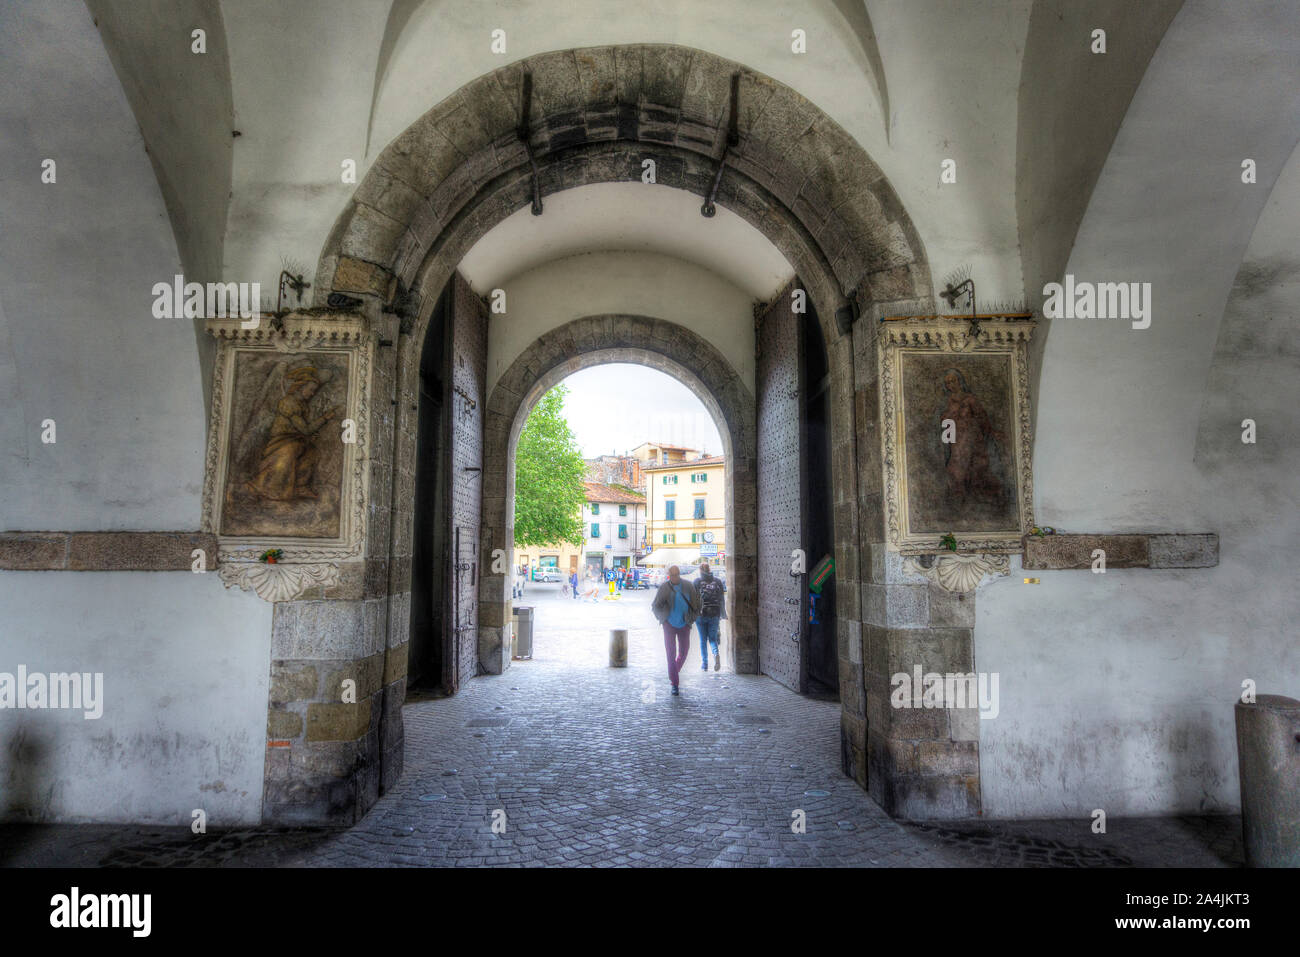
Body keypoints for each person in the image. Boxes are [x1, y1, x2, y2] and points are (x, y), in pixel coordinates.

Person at [652, 565, 701, 696]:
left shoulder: (688, 586)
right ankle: (675, 684)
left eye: (676, 574)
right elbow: (655, 605)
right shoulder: (664, 588)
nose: (674, 577)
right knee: (670, 653)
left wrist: (692, 618)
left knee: (684, 652)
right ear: (669, 575)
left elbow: (697, 603)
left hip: (684, 624)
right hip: (669, 624)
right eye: (672, 575)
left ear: (679, 574)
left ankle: (673, 672)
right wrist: (662, 619)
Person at [694, 562, 726, 671]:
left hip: (701, 615)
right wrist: (722, 614)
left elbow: (693, 600)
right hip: (714, 613)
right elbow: (721, 599)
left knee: (703, 640)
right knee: (713, 639)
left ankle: (705, 664)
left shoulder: (697, 582)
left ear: (700, 570)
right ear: (709, 570)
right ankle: (716, 654)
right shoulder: (717, 581)